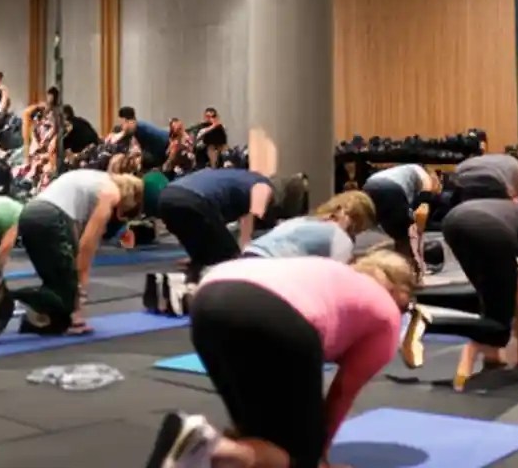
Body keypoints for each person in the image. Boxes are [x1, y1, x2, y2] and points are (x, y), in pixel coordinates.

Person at [144, 251, 415, 468]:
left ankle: (201, 451)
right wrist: (317, 456)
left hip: (208, 298)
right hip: (275, 313)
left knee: (255, 431)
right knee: (298, 458)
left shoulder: (333, 271)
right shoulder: (387, 314)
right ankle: (212, 447)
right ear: (399, 292)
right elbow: (342, 393)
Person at [410, 154, 518, 388]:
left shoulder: (514, 212)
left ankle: (413, 299)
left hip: (453, 220)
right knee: (499, 328)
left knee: (485, 299)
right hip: (487, 226)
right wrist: (517, 354)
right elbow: (516, 302)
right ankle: (424, 324)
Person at [0, 170, 143, 339]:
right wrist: (78, 298)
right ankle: (10, 297)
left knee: (56, 284)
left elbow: (73, 234)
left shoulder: (92, 179)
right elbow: (86, 248)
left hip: (29, 214)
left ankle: (37, 320)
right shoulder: (111, 194)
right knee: (66, 299)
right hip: (51, 218)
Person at [157, 168, 275, 281]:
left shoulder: (235, 180)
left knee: (206, 254)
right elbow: (253, 214)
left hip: (166, 197)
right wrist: (245, 248)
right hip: (193, 199)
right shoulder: (262, 184)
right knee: (231, 260)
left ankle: (193, 280)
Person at [243, 190, 377, 262]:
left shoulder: (300, 221)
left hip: (243, 262)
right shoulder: (339, 237)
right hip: (267, 274)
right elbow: (335, 280)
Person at [361, 163, 439, 277]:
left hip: (368, 185)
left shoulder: (402, 175)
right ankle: (410, 270)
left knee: (387, 231)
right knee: (405, 237)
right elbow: (426, 189)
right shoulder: (419, 170)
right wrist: (425, 201)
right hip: (390, 188)